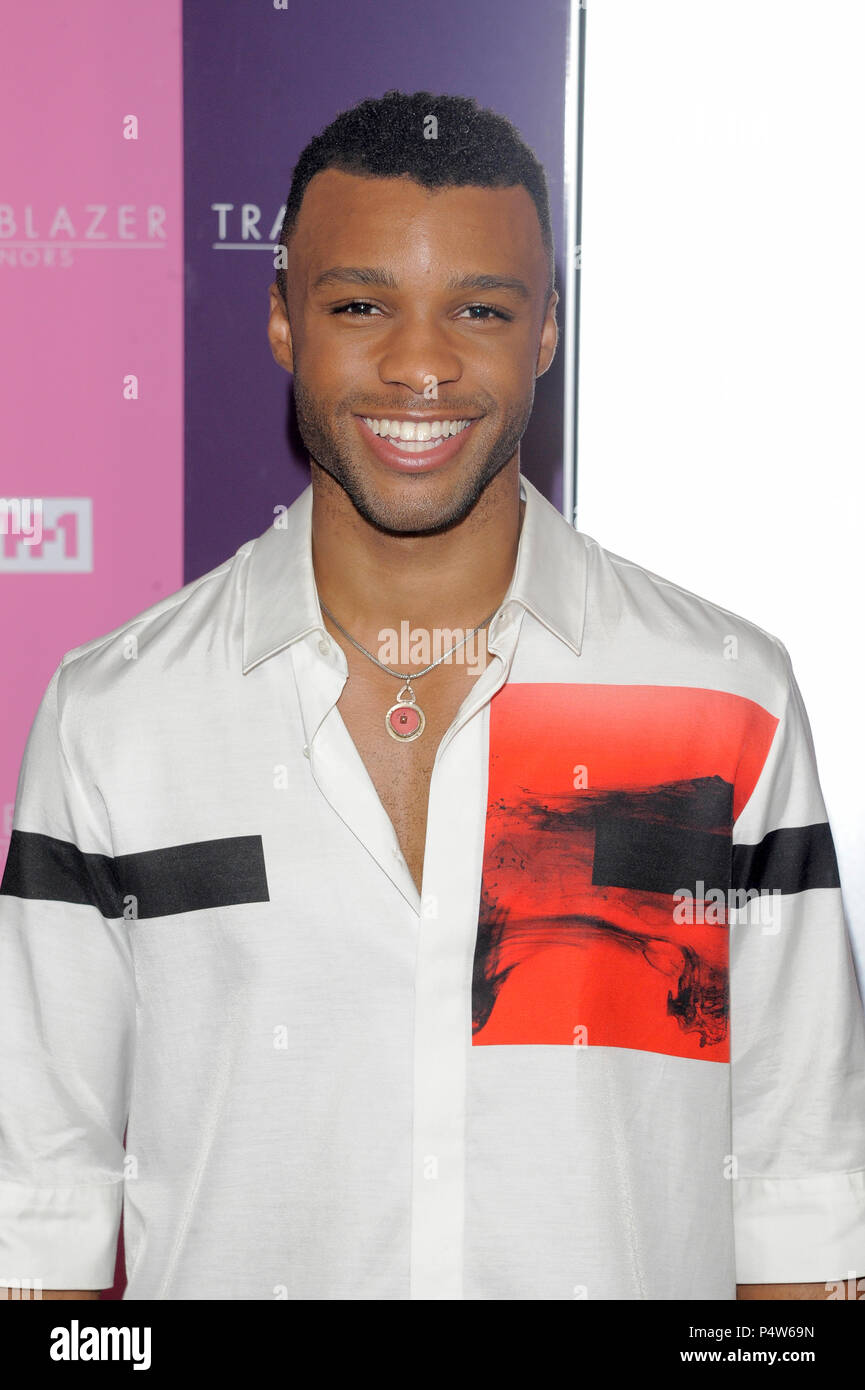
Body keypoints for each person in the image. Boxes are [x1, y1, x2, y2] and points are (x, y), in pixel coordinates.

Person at [2, 89, 863, 1302]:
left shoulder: (723, 699)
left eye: (479, 308)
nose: (419, 364)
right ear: (283, 323)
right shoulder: (115, 719)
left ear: (549, 331)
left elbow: (801, 1192)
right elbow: (39, 1204)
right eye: (361, 305)